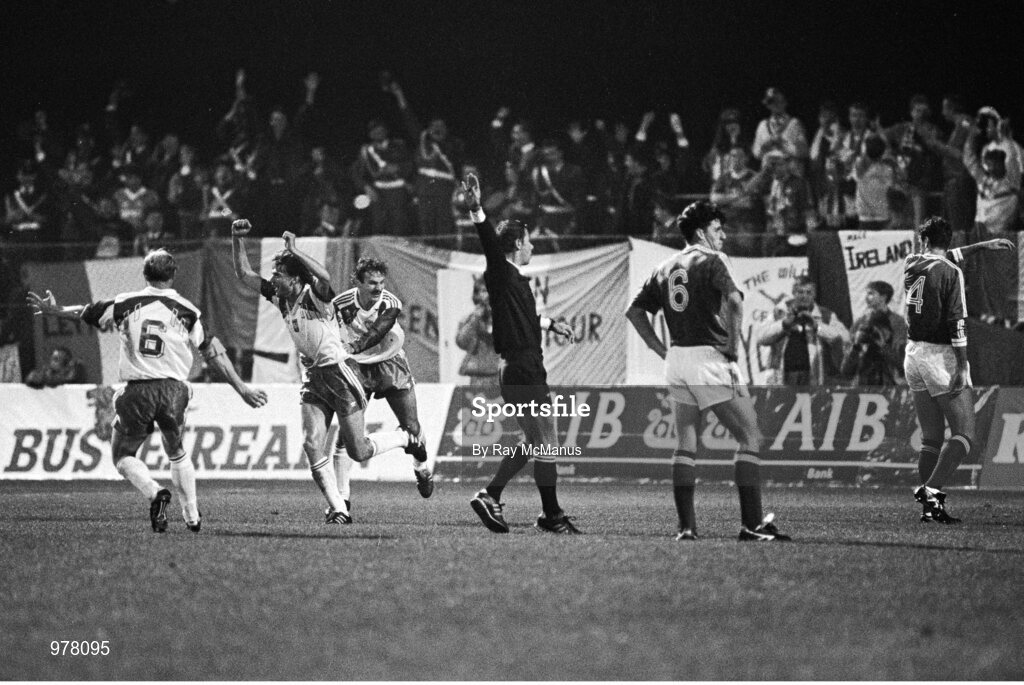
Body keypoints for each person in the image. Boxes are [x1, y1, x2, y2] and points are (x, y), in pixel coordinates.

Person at [27, 249, 267, 533]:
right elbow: (214, 353)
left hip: (138, 390)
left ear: (145, 274)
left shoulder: (125, 303)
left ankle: (155, 493)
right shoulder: (188, 311)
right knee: (176, 450)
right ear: (173, 274)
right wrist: (242, 388)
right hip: (174, 391)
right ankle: (192, 515)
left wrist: (56, 310)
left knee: (122, 455)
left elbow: (86, 312)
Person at [230, 219, 429, 524]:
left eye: (279, 274)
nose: (273, 279)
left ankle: (405, 439)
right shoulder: (281, 299)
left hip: (340, 373)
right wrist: (236, 238)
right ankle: (339, 508)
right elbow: (245, 274)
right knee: (311, 444)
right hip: (313, 378)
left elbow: (322, 276)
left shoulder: (316, 297)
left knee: (359, 450)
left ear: (296, 279)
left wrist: (295, 250)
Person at [625, 200, 791, 542]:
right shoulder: (713, 260)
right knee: (749, 436)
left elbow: (635, 312)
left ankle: (686, 528)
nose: (724, 236)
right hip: (708, 359)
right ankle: (752, 525)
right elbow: (734, 300)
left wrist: (661, 350)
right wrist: (731, 345)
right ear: (701, 232)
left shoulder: (665, 266)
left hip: (678, 362)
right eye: (718, 229)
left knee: (685, 442)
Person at [460, 173, 580, 535]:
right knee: (549, 441)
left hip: (519, 368)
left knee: (534, 441)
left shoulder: (514, 279)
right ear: (515, 246)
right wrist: (478, 210)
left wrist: (550, 323)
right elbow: (489, 245)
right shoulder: (500, 270)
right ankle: (551, 514)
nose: (533, 248)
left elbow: (523, 317)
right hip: (523, 370)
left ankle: (492, 494)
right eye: (529, 243)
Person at [904, 217, 1015, 523]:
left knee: (931, 437)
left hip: (913, 355)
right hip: (940, 356)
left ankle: (930, 509)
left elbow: (943, 256)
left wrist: (982, 246)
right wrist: (962, 365)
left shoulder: (912, 263)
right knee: (965, 435)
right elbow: (958, 321)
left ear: (924, 241)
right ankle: (931, 491)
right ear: (948, 241)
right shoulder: (951, 271)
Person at [325, 257, 436, 517]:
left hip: (389, 362)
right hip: (357, 368)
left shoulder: (390, 302)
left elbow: (377, 331)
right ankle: (343, 501)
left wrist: (353, 346)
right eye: (372, 283)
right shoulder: (339, 305)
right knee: (346, 435)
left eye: (381, 282)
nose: (378, 288)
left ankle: (421, 468)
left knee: (413, 427)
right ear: (357, 282)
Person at [757, 275, 850, 386]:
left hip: (813, 376)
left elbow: (845, 338)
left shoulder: (825, 315)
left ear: (814, 295)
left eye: (808, 292)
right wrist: (784, 324)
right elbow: (761, 337)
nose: (804, 296)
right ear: (793, 293)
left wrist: (817, 327)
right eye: (800, 292)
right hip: (783, 376)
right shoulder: (780, 311)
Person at [847, 280, 908, 384]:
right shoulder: (860, 322)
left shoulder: (897, 322)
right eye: (866, 293)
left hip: (889, 379)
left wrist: (882, 344)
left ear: (883, 297)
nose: (866, 297)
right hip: (863, 378)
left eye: (871, 293)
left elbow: (899, 354)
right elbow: (849, 352)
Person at [455, 276, 501, 389]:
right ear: (478, 294)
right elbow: (461, 342)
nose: (488, 296)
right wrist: (475, 320)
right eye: (484, 291)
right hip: (479, 377)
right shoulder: (472, 318)